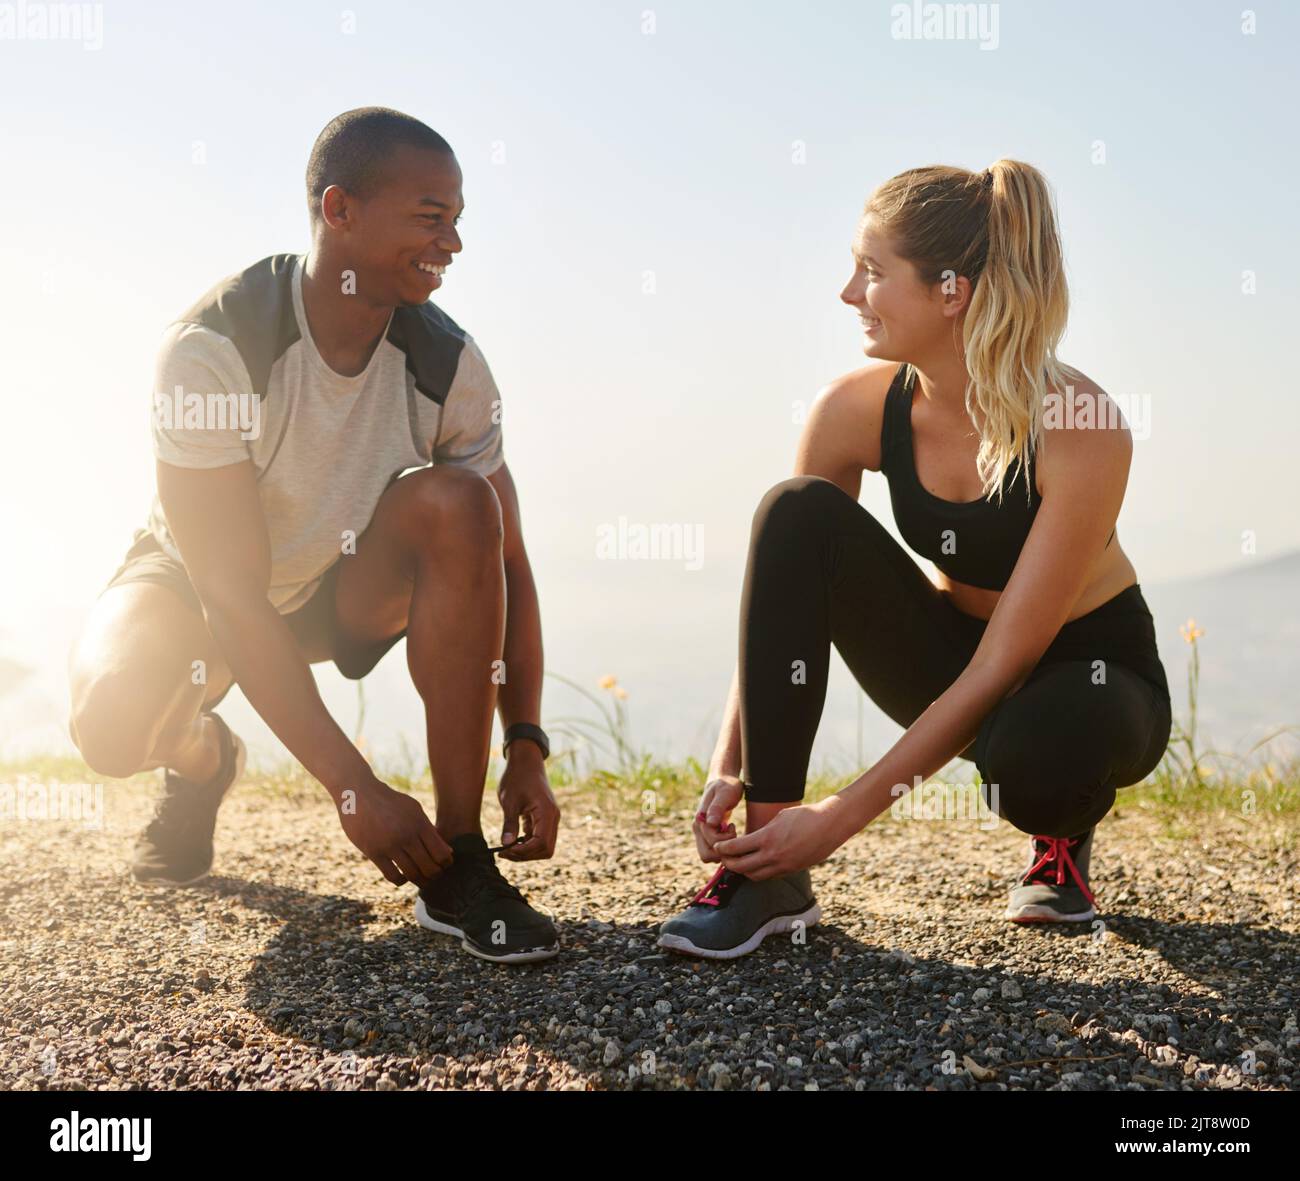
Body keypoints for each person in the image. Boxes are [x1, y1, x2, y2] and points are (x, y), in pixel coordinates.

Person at [66, 107, 561, 964]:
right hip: (201, 590)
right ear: (340, 211)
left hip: (343, 591)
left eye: (457, 219)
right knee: (110, 726)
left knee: (464, 503)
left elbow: (505, 558)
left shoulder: (450, 366)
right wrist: (353, 788)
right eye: (429, 216)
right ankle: (200, 755)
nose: (451, 242)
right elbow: (228, 593)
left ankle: (460, 856)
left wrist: (528, 743)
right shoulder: (213, 349)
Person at [658, 160, 1172, 959]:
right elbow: (783, 589)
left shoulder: (1078, 423)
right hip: (954, 651)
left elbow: (1007, 660)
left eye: (872, 271)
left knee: (1031, 752)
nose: (847, 293)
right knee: (794, 511)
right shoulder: (854, 408)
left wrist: (837, 820)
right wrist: (734, 764)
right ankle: (766, 872)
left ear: (950, 291)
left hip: (1092, 675)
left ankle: (1063, 832)